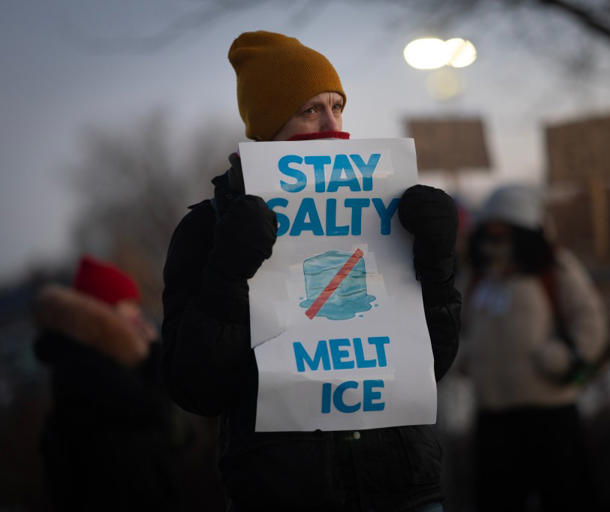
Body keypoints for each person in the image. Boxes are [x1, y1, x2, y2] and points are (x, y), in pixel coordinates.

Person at [161, 31, 461, 512]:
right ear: (269, 123)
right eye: (310, 110)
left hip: (404, 489)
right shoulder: (208, 228)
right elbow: (194, 388)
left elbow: (434, 364)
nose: (332, 124)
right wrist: (228, 270)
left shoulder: (385, 211)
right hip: (283, 493)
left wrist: (438, 265)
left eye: (337, 106)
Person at [463, 184, 607, 511]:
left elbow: (590, 318)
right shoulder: (477, 276)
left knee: (566, 496)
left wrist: (566, 355)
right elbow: (456, 323)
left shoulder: (555, 268)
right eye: (490, 231)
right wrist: (463, 355)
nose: (494, 240)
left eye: (504, 231)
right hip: (493, 413)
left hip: (550, 412)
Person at [33, 255, 181, 511]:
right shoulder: (84, 366)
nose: (137, 314)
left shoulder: (96, 358)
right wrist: (155, 356)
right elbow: (152, 412)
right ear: (104, 312)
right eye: (128, 304)